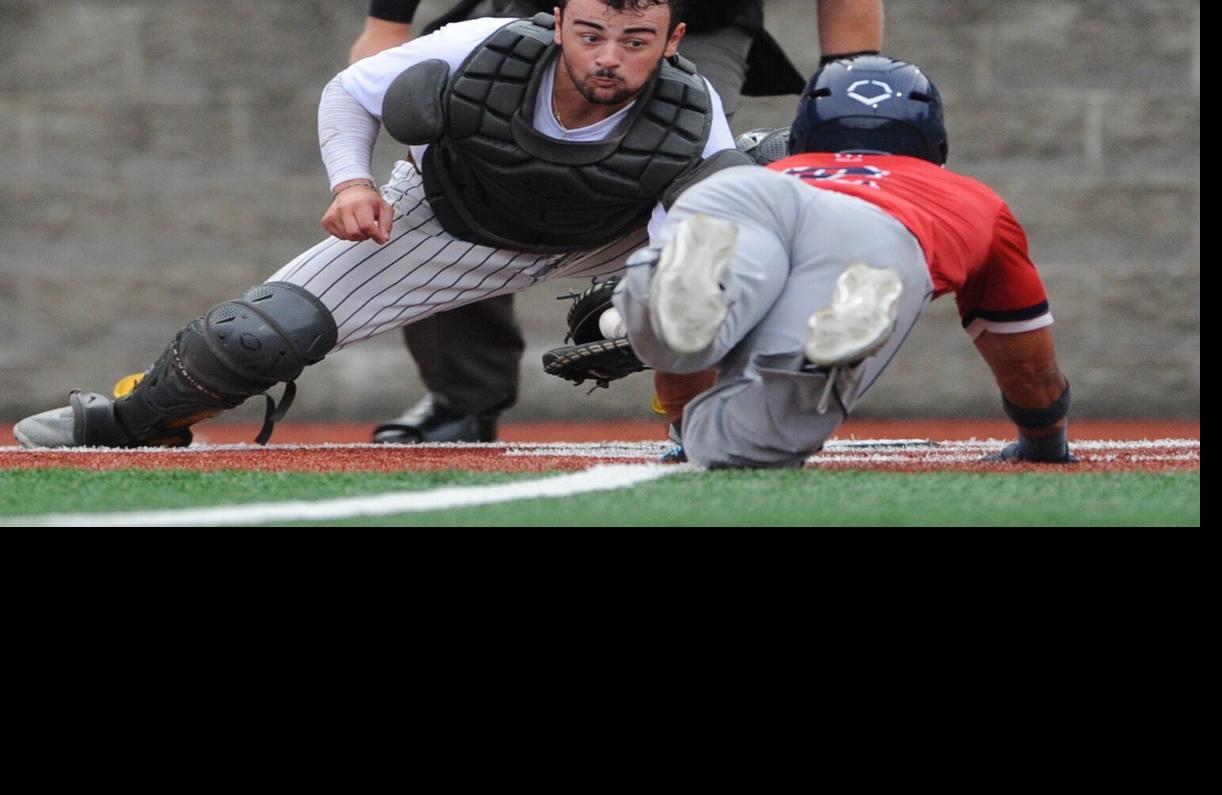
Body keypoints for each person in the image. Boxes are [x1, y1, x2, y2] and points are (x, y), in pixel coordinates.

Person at [11, 0, 741, 450]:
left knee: (737, 219)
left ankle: (693, 421)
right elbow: (348, 93)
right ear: (556, 21)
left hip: (604, 229)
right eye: (590, 33)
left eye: (636, 40)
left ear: (673, 38)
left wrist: (644, 299)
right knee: (253, 336)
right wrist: (353, 182)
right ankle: (140, 415)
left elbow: (704, 222)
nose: (609, 57)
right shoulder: (480, 48)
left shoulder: (691, 106)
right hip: (447, 220)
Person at [351, 0, 886, 444]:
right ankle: (462, 398)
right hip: (536, 8)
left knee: (687, 167)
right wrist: (388, 22)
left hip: (697, 16)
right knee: (458, 166)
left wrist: (853, 80)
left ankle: (695, 405)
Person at [612, 55, 1076, 468]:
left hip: (747, 191)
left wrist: (681, 425)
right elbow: (1030, 372)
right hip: (876, 236)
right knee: (740, 445)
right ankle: (823, 350)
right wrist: (1043, 443)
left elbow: (680, 367)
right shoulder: (974, 199)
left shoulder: (776, 166)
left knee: (675, 329)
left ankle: (653, 293)